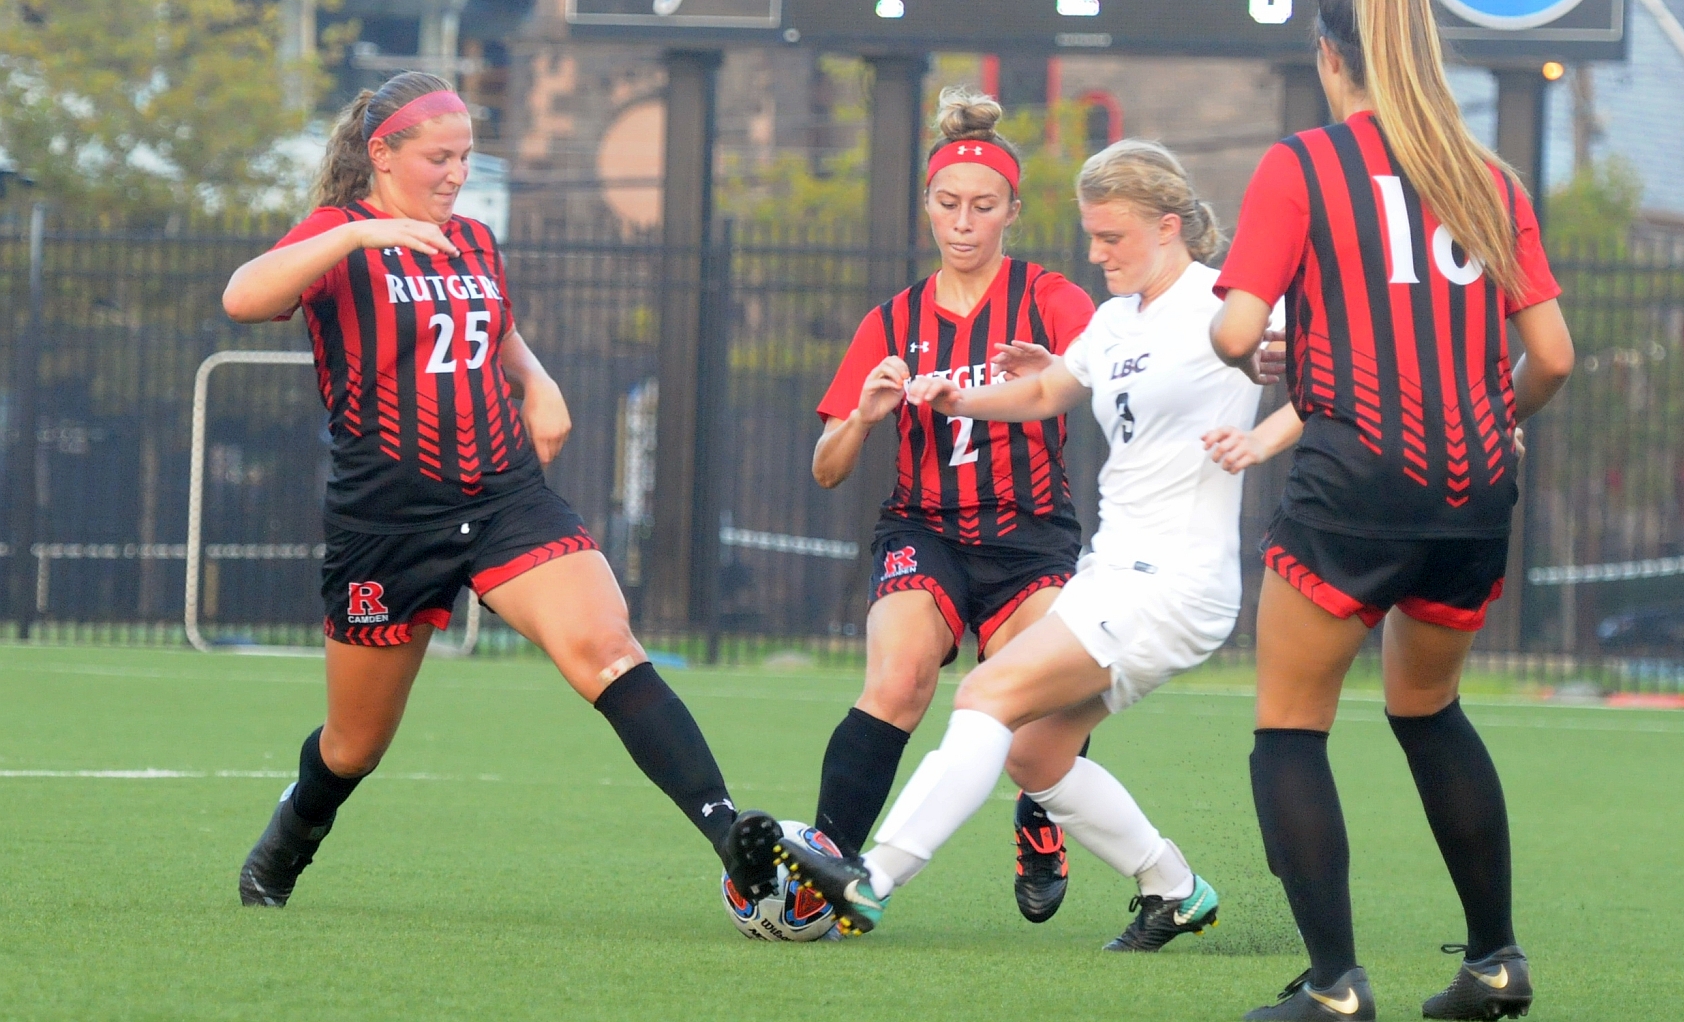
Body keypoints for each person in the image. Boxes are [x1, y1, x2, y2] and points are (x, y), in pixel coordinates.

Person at [220, 71, 782, 911]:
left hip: (502, 497)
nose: (455, 174)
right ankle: (290, 838)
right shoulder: (338, 234)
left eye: (466, 158)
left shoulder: (475, 241)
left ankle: (727, 834)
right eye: (438, 158)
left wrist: (539, 379)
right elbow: (242, 297)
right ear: (382, 153)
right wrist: (358, 241)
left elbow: (495, 330)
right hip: (388, 520)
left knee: (607, 648)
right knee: (355, 745)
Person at [773, 139, 1304, 950]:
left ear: (1169, 228)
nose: (1095, 255)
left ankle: (869, 877)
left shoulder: (1222, 305)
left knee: (985, 696)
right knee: (1035, 753)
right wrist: (959, 395)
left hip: (1174, 582)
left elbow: (1340, 369)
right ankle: (1174, 889)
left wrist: (1267, 434)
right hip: (1111, 572)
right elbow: (1052, 388)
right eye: (1090, 237)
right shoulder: (1120, 318)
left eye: (1111, 238)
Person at [1209, 0, 1577, 1019]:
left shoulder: (1303, 164)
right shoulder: (1490, 175)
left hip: (1353, 482)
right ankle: (1497, 961)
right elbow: (1551, 357)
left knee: (1289, 728)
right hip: (1472, 491)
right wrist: (1480, 419)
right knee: (1429, 710)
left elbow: (1236, 327)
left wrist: (1256, 353)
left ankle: (1333, 987)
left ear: (1330, 55)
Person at [809, 88, 1096, 921]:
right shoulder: (892, 319)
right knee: (897, 680)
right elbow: (826, 468)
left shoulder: (1051, 297)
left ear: (1013, 210)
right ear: (926, 206)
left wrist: (1055, 371)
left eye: (982, 206)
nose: (963, 222)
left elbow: (1115, 385)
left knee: (1034, 701)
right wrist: (861, 419)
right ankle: (824, 867)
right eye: (947, 204)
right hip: (924, 528)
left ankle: (1040, 818)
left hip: (1031, 537)